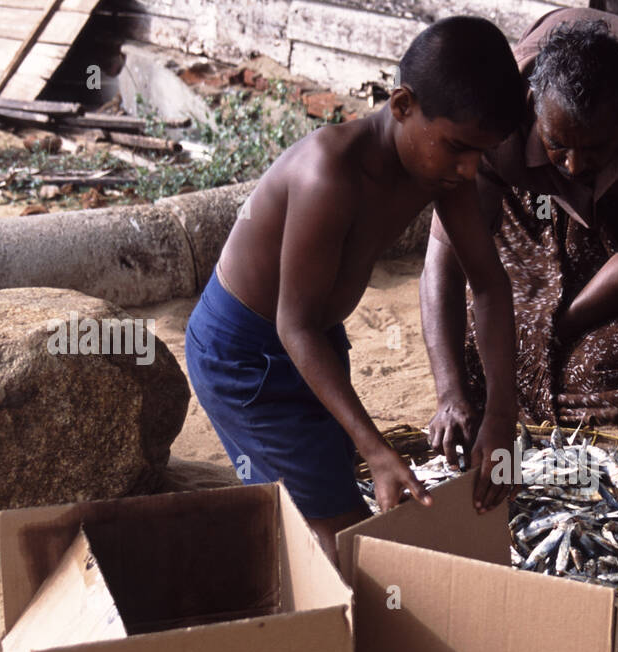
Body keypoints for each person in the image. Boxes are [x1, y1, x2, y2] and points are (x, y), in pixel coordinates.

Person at [185, 17, 523, 565]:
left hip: (314, 337)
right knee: (338, 537)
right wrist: (376, 447)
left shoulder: (446, 173)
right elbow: (290, 326)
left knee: (328, 480)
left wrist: (501, 415)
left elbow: (488, 284)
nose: (470, 169)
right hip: (244, 352)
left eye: (482, 154)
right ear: (401, 105)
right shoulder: (329, 175)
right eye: (459, 148)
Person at [420, 9, 618, 463]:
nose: (574, 165)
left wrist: (559, 323)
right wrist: (449, 391)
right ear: (533, 104)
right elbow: (444, 254)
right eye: (559, 144)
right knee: (485, 348)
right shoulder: (497, 117)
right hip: (526, 195)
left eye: (595, 148)